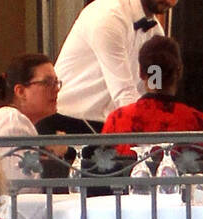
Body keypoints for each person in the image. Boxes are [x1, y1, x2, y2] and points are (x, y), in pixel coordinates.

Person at [51, 0, 178, 131]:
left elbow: (154, 89)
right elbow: (123, 92)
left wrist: (163, 117)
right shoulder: (108, 16)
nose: (170, 1)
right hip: (68, 122)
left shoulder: (156, 32)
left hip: (111, 123)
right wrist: (153, 127)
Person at [101, 34, 203, 154]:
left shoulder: (116, 120)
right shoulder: (199, 123)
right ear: (179, 71)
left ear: (141, 72)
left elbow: (101, 168)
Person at [0, 53, 63, 180]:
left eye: (56, 82)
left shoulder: (7, 119)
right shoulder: (12, 121)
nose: (56, 89)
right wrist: (55, 158)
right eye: (47, 82)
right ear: (21, 91)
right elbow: (20, 188)